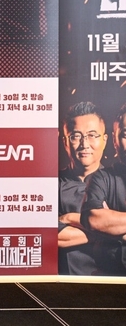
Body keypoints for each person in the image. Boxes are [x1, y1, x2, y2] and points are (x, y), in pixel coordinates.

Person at [58, 102, 106, 275]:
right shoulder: (52, 184)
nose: (84, 144)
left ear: (104, 140)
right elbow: (52, 236)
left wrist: (70, 218)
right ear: (65, 142)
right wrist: (108, 230)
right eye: (76, 136)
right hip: (66, 283)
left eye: (92, 135)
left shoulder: (118, 181)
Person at [81, 103, 126, 275]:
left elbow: (103, 223)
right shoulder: (102, 177)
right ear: (114, 140)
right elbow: (93, 220)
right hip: (109, 278)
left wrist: (114, 228)